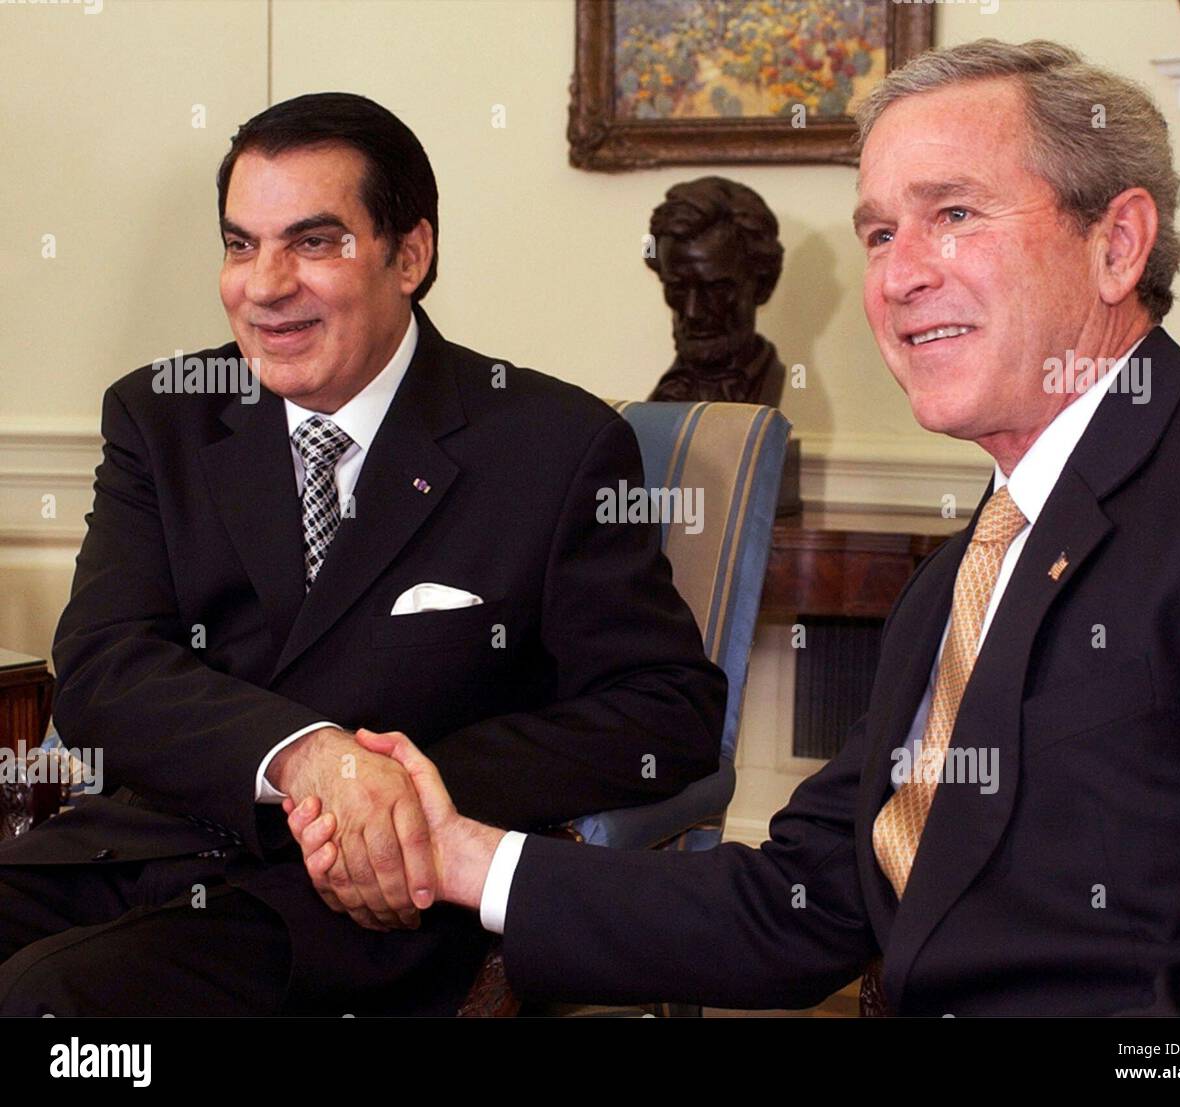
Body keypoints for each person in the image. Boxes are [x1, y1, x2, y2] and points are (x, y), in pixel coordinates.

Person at [289, 40, 1180, 1016]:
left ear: (1116, 244)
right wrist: (458, 856)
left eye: (952, 213)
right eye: (879, 234)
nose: (898, 276)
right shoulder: (958, 581)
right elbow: (796, 904)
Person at [0, 92, 725, 1016]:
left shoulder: (551, 445)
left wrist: (399, 794)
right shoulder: (162, 415)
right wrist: (309, 758)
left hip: (362, 906)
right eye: (240, 245)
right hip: (140, 846)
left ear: (409, 255)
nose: (264, 285)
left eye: (313, 242)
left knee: (53, 1000)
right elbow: (104, 667)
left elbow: (667, 708)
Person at [646, 177, 786, 407]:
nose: (692, 312)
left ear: (763, 285)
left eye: (716, 289)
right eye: (677, 288)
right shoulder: (664, 396)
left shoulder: (783, 383)